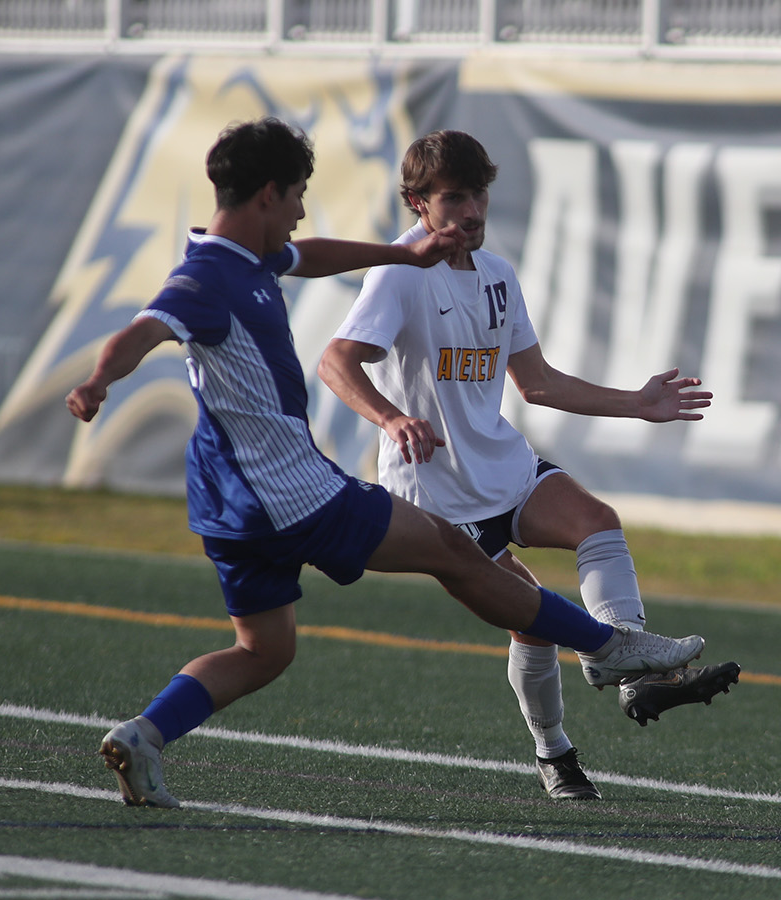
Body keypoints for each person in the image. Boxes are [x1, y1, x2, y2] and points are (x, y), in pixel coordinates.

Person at [65, 117, 707, 809]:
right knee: (457, 557)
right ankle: (609, 651)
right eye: (298, 196)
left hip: (226, 505)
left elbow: (306, 255)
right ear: (267, 195)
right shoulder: (208, 276)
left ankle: (145, 734)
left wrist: (402, 254)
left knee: (264, 651)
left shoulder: (251, 259)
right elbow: (149, 327)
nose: (303, 210)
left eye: (476, 195)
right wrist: (100, 379)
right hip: (297, 491)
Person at [317, 130, 741, 802]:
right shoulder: (398, 271)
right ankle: (555, 753)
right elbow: (336, 361)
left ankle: (629, 664)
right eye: (453, 197)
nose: (472, 210)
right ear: (418, 204)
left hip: (502, 465)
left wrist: (637, 402)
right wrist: (391, 419)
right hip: (439, 494)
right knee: (532, 620)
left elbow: (537, 384)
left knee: (597, 521)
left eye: (479, 193)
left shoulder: (498, 276)